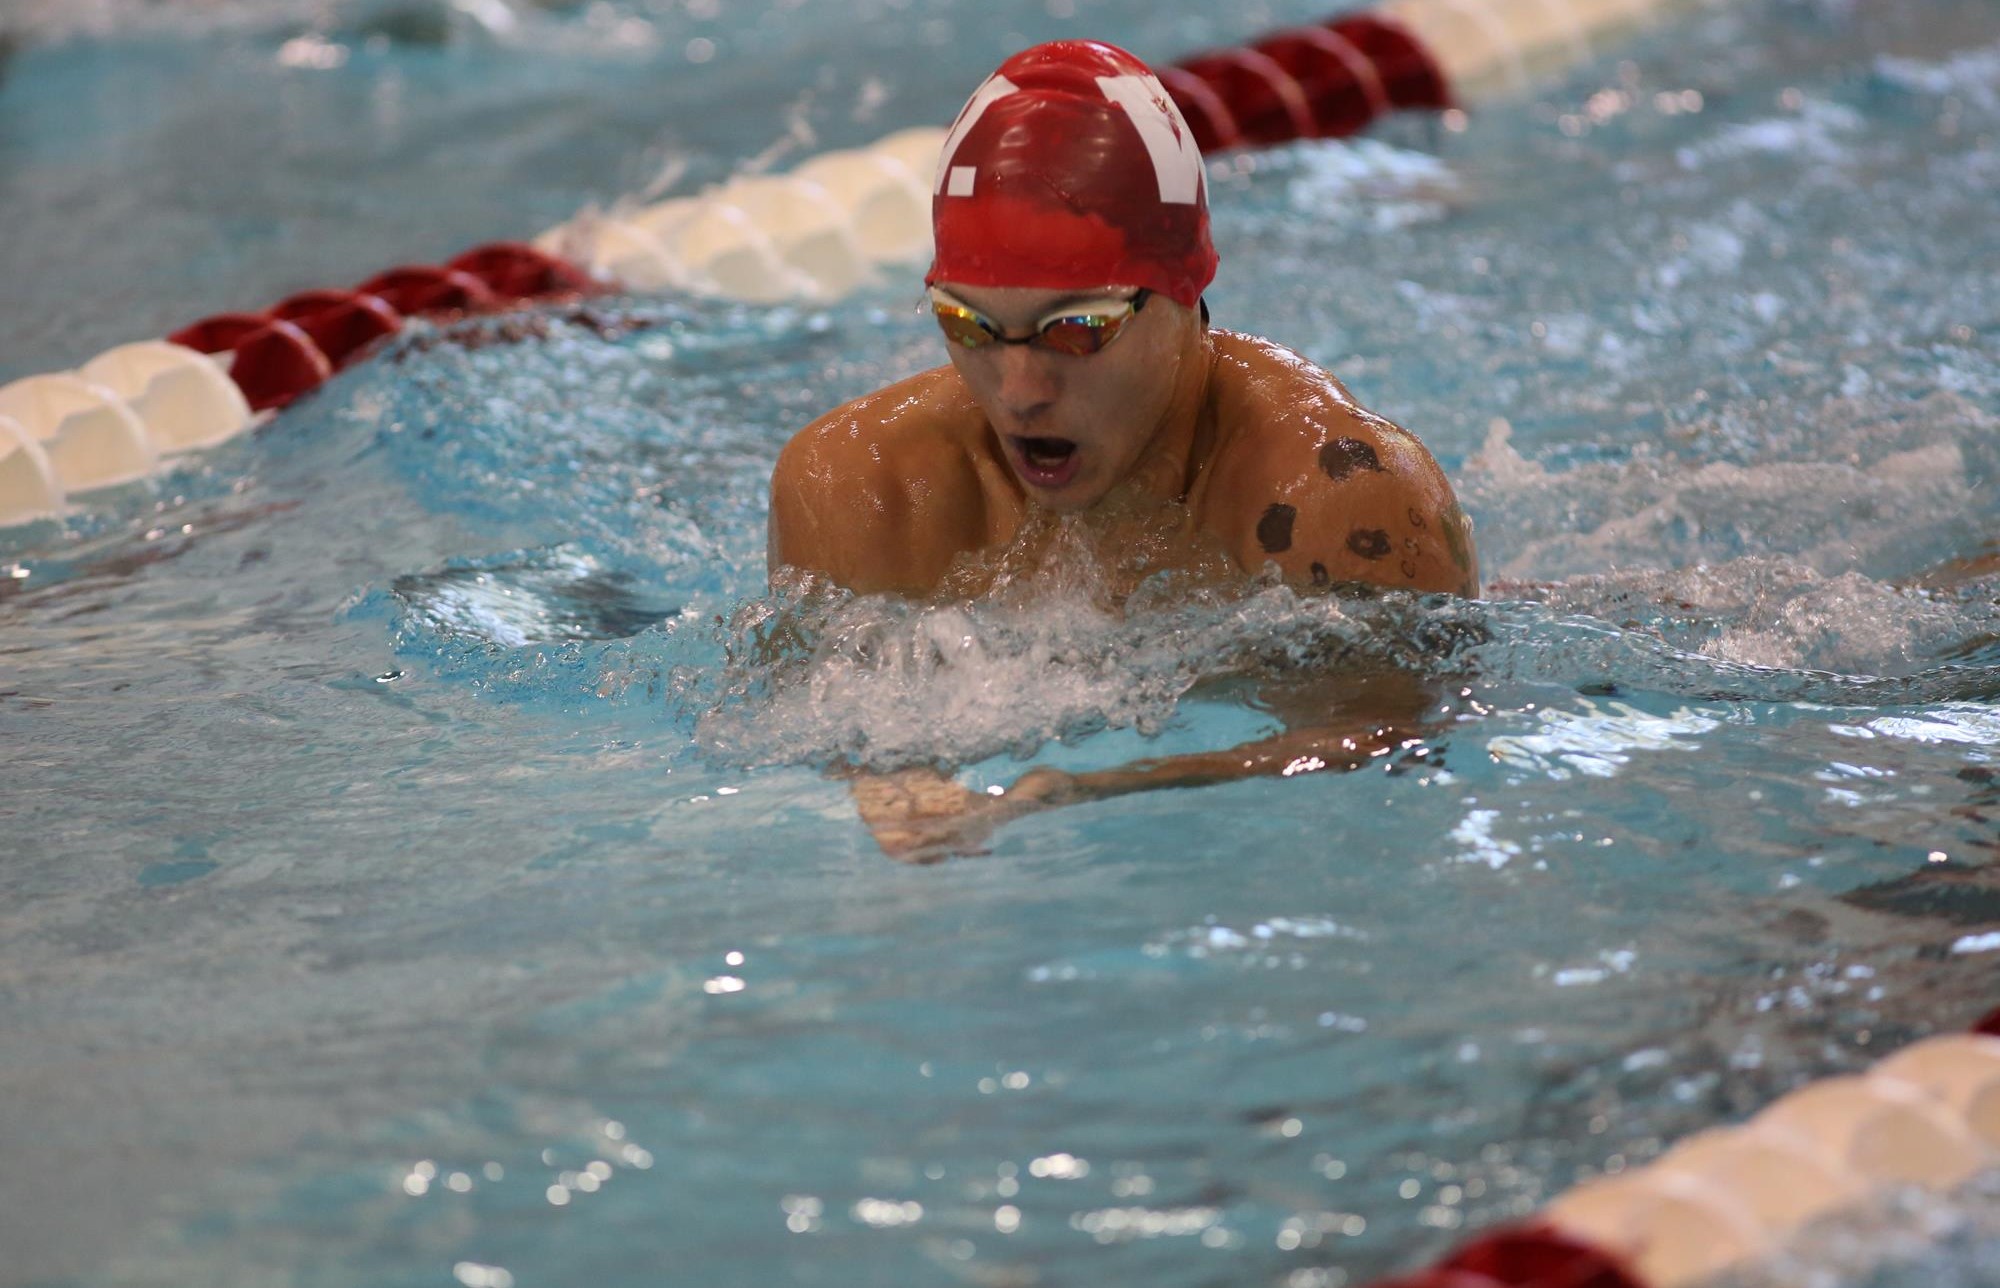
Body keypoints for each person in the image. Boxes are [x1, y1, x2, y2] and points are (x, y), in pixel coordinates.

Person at [767, 40, 1479, 859]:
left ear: (1186, 294)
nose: (1019, 389)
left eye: (1077, 329)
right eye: (970, 326)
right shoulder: (862, 490)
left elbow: (1389, 754)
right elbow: (808, 732)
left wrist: (1091, 793)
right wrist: (877, 777)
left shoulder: (1338, 500)